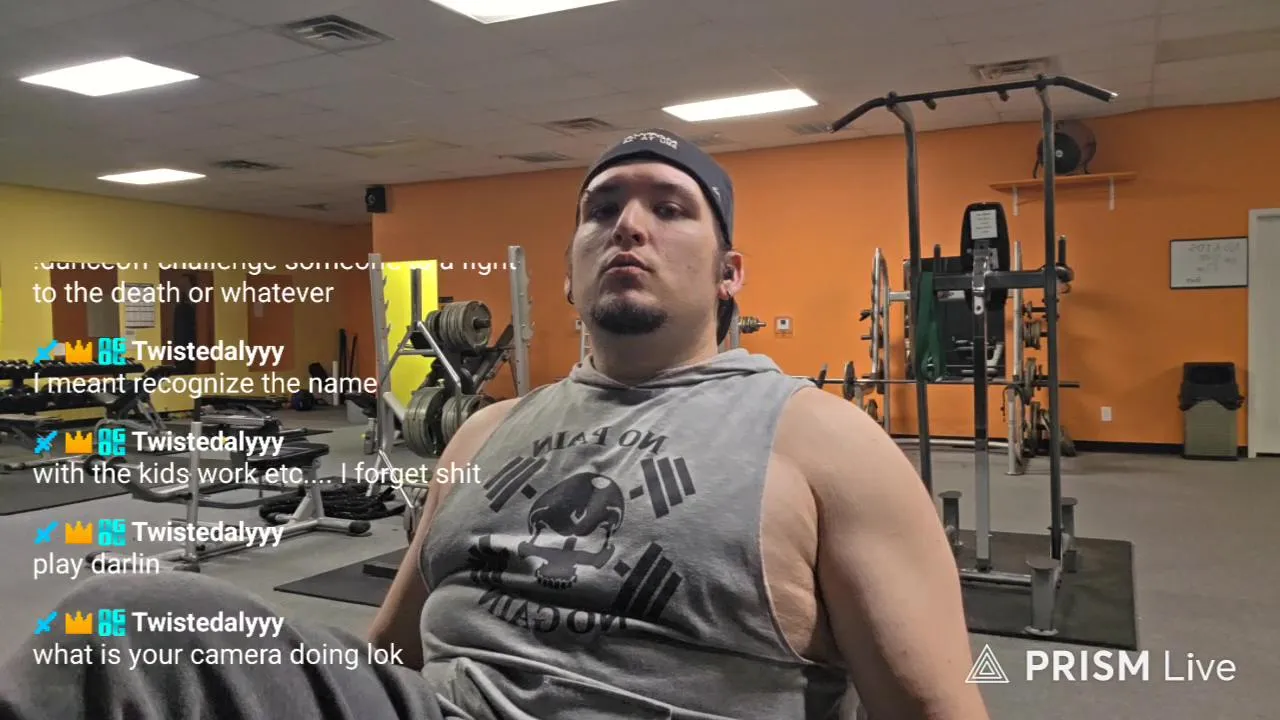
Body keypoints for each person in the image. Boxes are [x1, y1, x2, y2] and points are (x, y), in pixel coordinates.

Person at [0, 130, 988, 720]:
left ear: (730, 274)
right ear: (567, 271)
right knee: (119, 624)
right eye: (602, 208)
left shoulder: (822, 441)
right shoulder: (483, 434)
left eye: (671, 209)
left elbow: (934, 708)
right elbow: (391, 654)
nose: (630, 225)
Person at [171, 273, 199, 374]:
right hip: (181, 346)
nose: (181, 286)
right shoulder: (180, 307)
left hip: (190, 345)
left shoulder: (194, 306)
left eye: (184, 284)